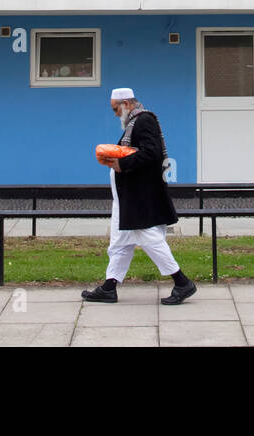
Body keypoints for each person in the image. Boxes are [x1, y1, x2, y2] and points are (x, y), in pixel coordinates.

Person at [82, 88, 196, 305]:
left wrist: (120, 164)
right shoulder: (133, 123)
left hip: (138, 196)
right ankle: (109, 287)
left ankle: (182, 282)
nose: (115, 113)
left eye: (116, 108)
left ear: (126, 104)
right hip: (126, 197)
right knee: (119, 242)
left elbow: (151, 154)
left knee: (149, 238)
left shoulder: (143, 121)